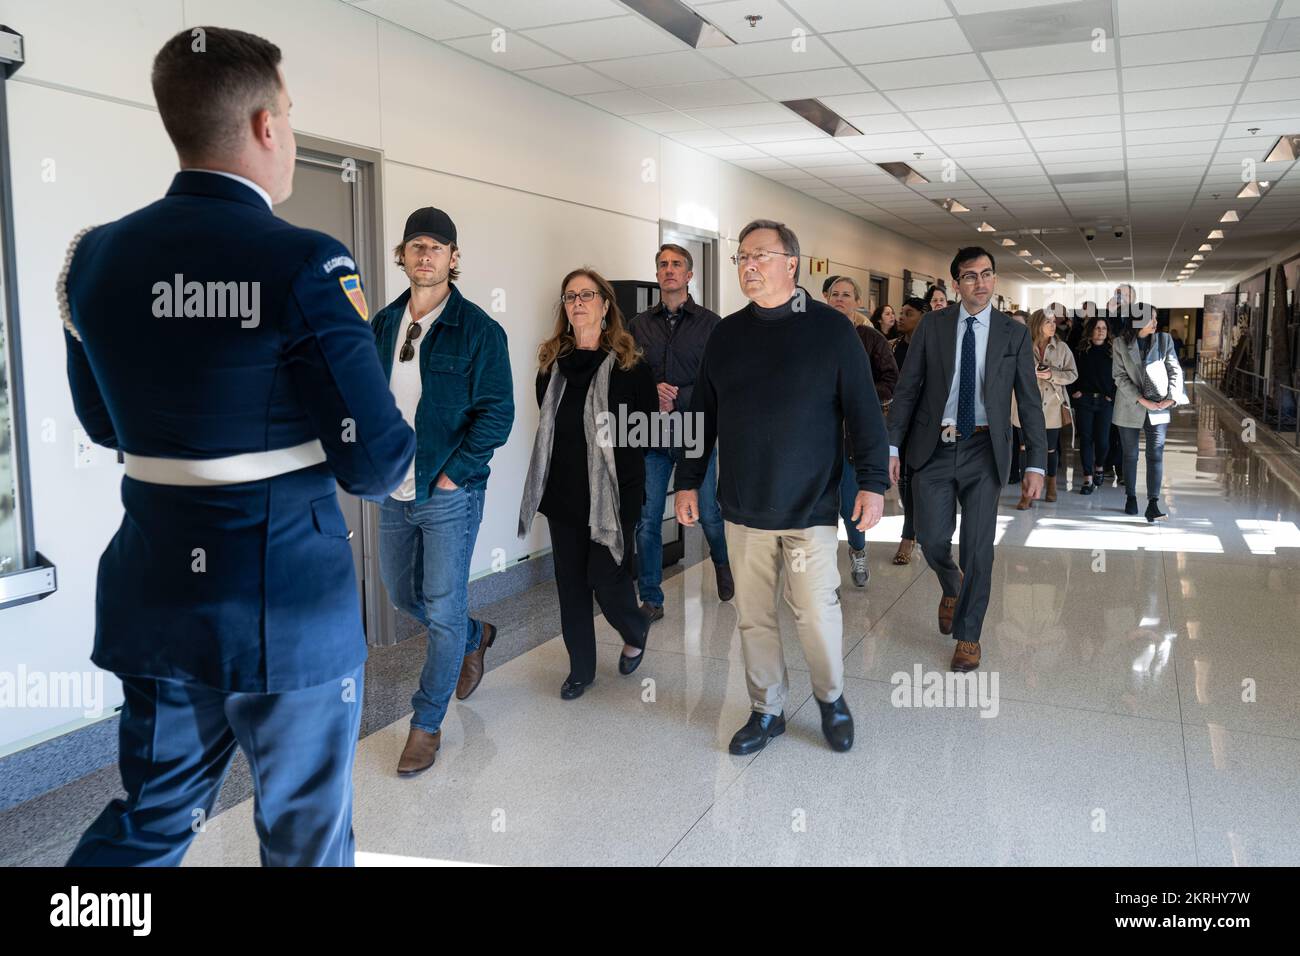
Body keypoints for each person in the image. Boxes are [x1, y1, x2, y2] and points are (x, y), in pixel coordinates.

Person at [61, 27, 415, 865]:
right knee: (304, 835)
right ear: (264, 124)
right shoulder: (305, 262)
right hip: (285, 607)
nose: (288, 132)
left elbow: (104, 424)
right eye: (289, 115)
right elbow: (373, 463)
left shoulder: (93, 258)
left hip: (156, 601)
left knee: (149, 822)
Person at [675, 219, 888, 755]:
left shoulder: (830, 330)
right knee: (753, 618)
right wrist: (687, 482)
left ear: (791, 264)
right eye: (741, 257)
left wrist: (873, 483)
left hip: (810, 507)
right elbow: (700, 415)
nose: (748, 265)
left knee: (816, 615)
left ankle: (831, 699)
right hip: (743, 508)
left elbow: (864, 411)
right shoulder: (726, 334)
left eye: (760, 256)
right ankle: (766, 709)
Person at [371, 207, 515, 776]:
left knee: (443, 607)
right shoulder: (382, 325)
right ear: (401, 257)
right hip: (393, 488)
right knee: (404, 595)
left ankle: (425, 724)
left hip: (450, 491)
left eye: (436, 247)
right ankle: (477, 634)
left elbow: (496, 414)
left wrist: (453, 473)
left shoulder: (479, 329)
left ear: (453, 259)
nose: (425, 256)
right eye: (415, 246)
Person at [888, 247, 1047, 673]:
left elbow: (1029, 401)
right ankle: (952, 585)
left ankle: (969, 635)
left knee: (979, 548)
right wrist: (891, 446)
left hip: (984, 449)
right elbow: (908, 387)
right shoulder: (933, 326)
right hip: (934, 445)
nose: (980, 282)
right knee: (932, 538)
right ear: (955, 284)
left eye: (987, 274)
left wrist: (1036, 462)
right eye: (970, 276)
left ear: (995, 280)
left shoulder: (1012, 334)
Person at [518, 269, 657, 699]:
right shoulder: (550, 366)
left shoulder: (631, 366)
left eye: (587, 294)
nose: (577, 302)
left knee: (607, 580)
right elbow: (551, 427)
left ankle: (636, 627)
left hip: (614, 498)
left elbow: (645, 435)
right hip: (562, 496)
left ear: (605, 305)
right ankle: (581, 669)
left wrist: (633, 504)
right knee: (571, 588)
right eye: (570, 296)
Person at [629, 243, 730, 622]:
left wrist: (679, 394)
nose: (668, 270)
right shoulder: (638, 325)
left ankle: (721, 563)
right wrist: (651, 391)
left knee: (708, 514)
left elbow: (720, 380)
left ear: (689, 275)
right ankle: (652, 597)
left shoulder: (712, 325)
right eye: (662, 265)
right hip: (651, 434)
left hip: (695, 434)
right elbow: (627, 375)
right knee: (648, 518)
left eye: (676, 265)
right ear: (657, 275)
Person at [828, 277, 897, 586]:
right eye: (834, 294)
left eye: (846, 294)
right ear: (826, 298)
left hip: (853, 438)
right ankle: (824, 574)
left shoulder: (870, 339)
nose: (840, 299)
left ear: (858, 301)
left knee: (849, 503)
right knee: (820, 509)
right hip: (818, 437)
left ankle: (858, 549)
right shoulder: (813, 335)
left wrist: (859, 397)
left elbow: (891, 380)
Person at [1113, 307, 1186, 522]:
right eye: (1150, 318)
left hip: (1160, 405)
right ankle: (1131, 497)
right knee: (1130, 454)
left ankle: (1153, 503)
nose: (1155, 322)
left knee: (1155, 454)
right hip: (1129, 404)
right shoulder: (1120, 343)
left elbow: (1175, 369)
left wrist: (1172, 398)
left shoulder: (1164, 340)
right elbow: (1119, 377)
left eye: (1155, 318)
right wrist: (1141, 399)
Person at [1013, 309, 1077, 509]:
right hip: (1024, 405)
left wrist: (1051, 375)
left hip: (1052, 405)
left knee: (1050, 449)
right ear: (1036, 324)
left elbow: (1072, 374)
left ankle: (1050, 484)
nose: (1052, 325)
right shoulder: (1022, 345)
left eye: (1054, 321)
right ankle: (1027, 492)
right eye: (1047, 321)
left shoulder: (1062, 347)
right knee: (1025, 449)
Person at [890, 297, 927, 565]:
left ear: (923, 316)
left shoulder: (933, 347)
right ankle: (910, 532)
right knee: (904, 478)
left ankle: (915, 532)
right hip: (899, 421)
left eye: (908, 313)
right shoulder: (892, 347)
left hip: (927, 422)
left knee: (920, 479)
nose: (901, 317)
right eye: (900, 313)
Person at [1070, 316, 1115, 495]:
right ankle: (1087, 479)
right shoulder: (1080, 351)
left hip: (1105, 402)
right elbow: (1071, 372)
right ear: (1091, 330)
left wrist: (1112, 395)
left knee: (1103, 441)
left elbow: (1119, 376)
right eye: (1097, 328)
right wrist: (1074, 391)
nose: (1101, 331)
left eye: (1103, 328)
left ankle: (1099, 466)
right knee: (1086, 440)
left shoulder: (1112, 351)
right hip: (1085, 401)